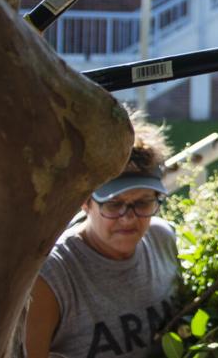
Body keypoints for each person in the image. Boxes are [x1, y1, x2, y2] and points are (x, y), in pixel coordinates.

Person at [25, 116, 179, 358]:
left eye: (142, 203)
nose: (128, 218)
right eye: (114, 205)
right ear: (85, 202)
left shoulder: (163, 239)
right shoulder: (52, 276)